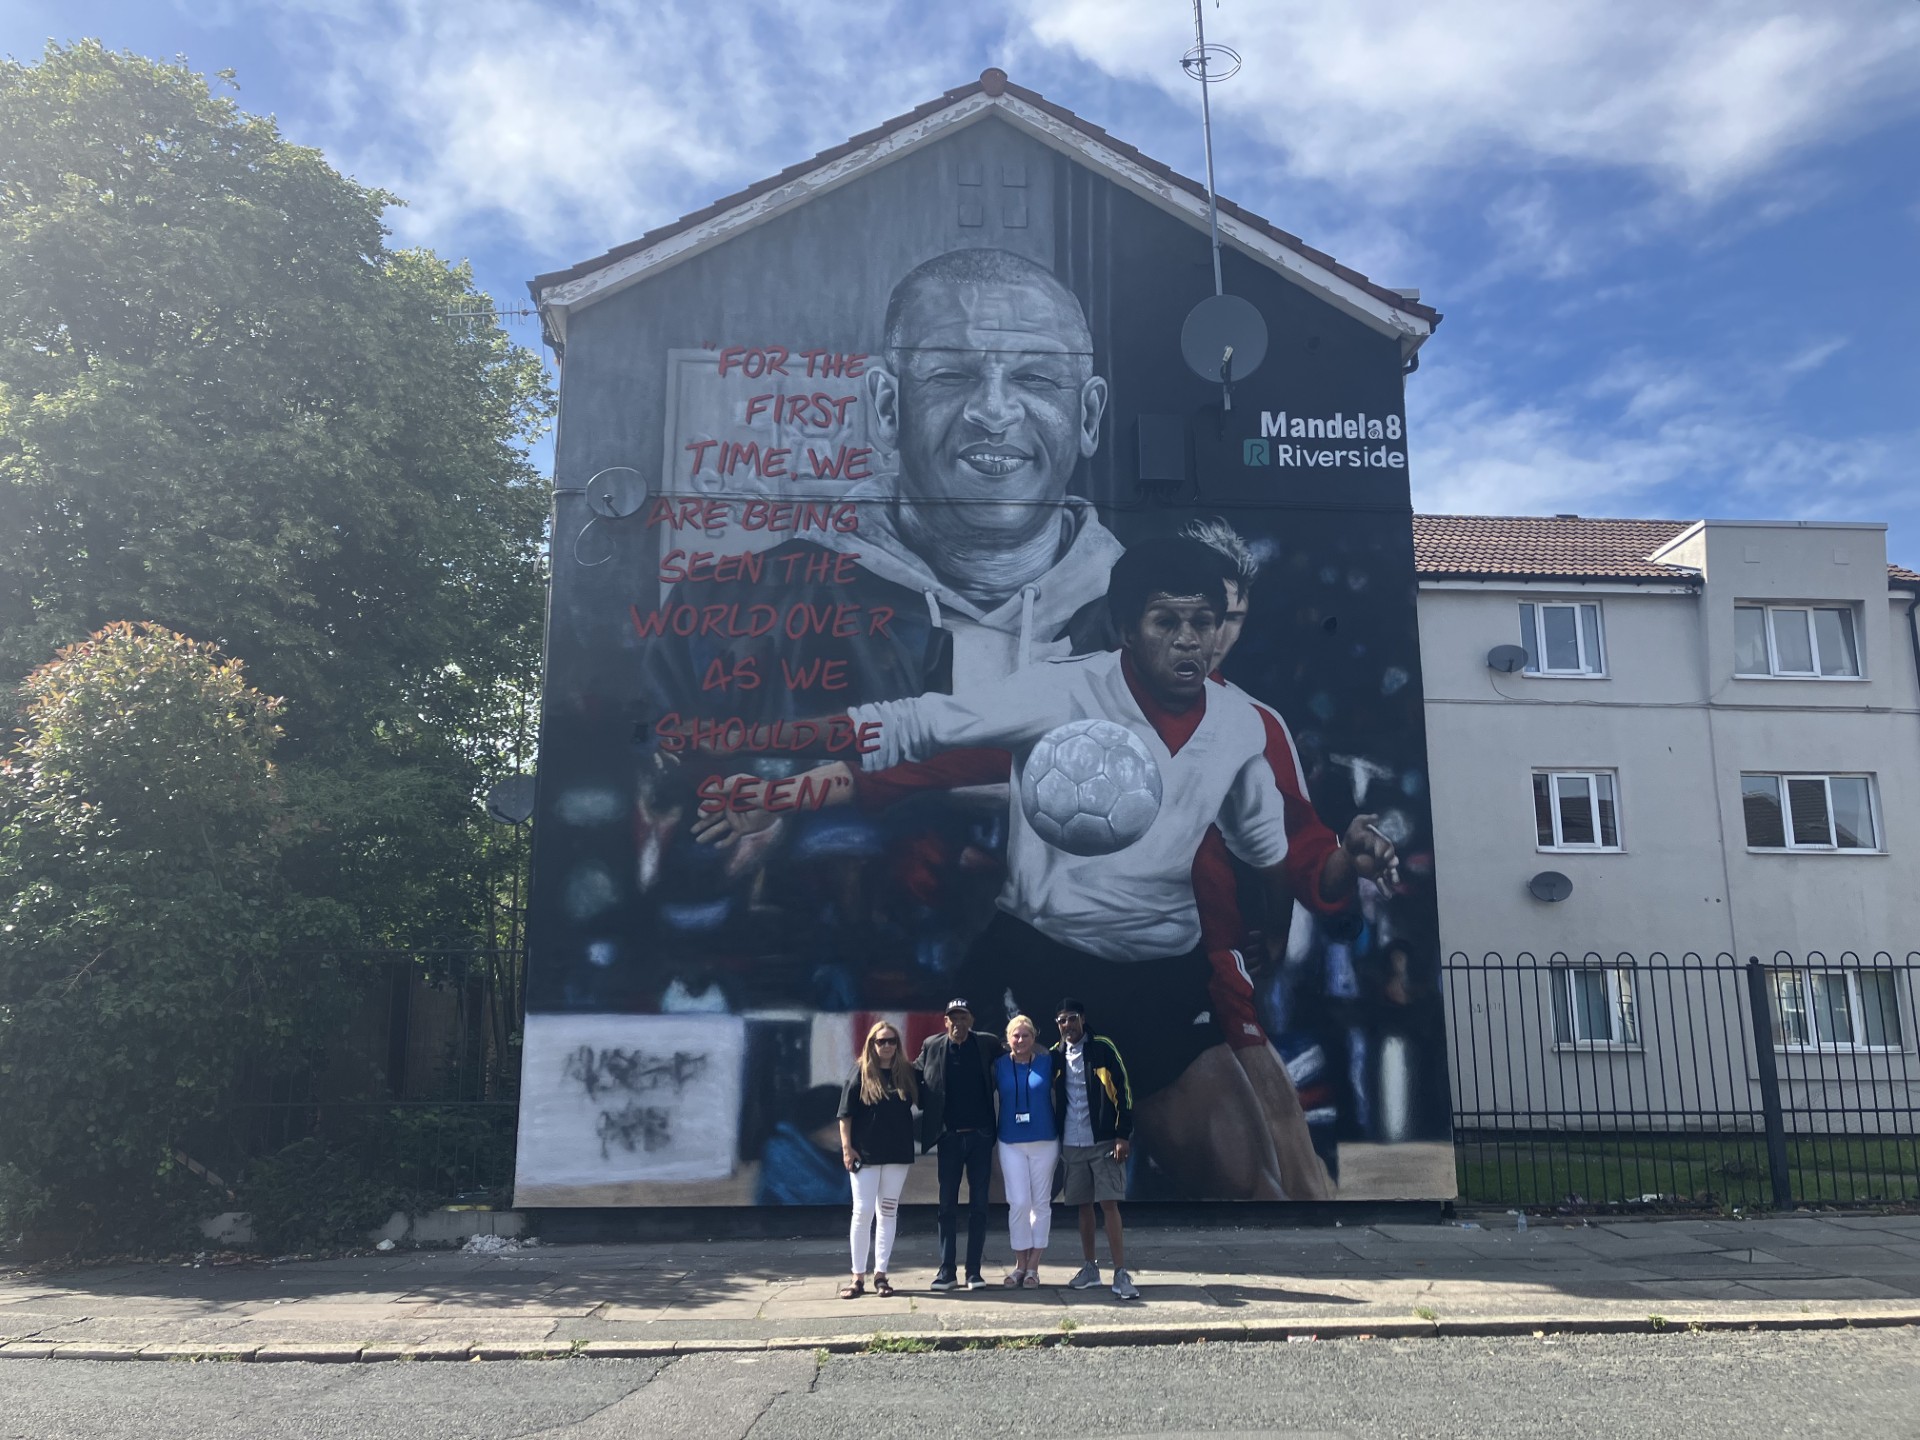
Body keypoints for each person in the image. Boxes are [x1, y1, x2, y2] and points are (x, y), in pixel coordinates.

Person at [913, 997, 1005, 1291]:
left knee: (979, 1205)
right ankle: (946, 1271)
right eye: (953, 1018)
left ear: (971, 1021)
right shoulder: (932, 1046)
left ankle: (974, 1272)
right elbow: (913, 1074)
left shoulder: (986, 1044)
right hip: (949, 1137)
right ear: (946, 1021)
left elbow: (1014, 1060)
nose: (958, 1023)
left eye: (963, 1017)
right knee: (946, 1206)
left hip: (979, 1136)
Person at [1050, 998, 1139, 1300]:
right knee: (1083, 1206)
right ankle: (1090, 1268)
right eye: (1061, 1021)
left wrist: (1122, 1134)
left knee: (1109, 1204)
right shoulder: (1055, 1056)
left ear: (1083, 1019)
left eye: (1072, 1018)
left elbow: (1123, 1091)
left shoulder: (1103, 1047)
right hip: (1072, 1143)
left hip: (1103, 1141)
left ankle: (1121, 1272)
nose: (1067, 1025)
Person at [837, 1020, 919, 1299]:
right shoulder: (859, 1072)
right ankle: (857, 1277)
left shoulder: (906, 1073)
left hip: (897, 1154)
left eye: (891, 1041)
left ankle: (881, 1275)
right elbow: (844, 1115)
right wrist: (847, 1149)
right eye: (880, 1041)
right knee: (862, 1213)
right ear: (871, 1044)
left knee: (888, 1211)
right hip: (866, 1154)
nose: (886, 1046)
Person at [994, 1014, 1059, 1287]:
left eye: (1026, 1035)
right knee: (1018, 1202)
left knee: (1041, 1203)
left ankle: (1034, 1266)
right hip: (1010, 1141)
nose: (1020, 1040)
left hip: (1045, 1140)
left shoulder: (1047, 1063)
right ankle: (1019, 1263)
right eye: (1016, 1036)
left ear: (1034, 1038)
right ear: (1008, 1039)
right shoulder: (998, 1065)